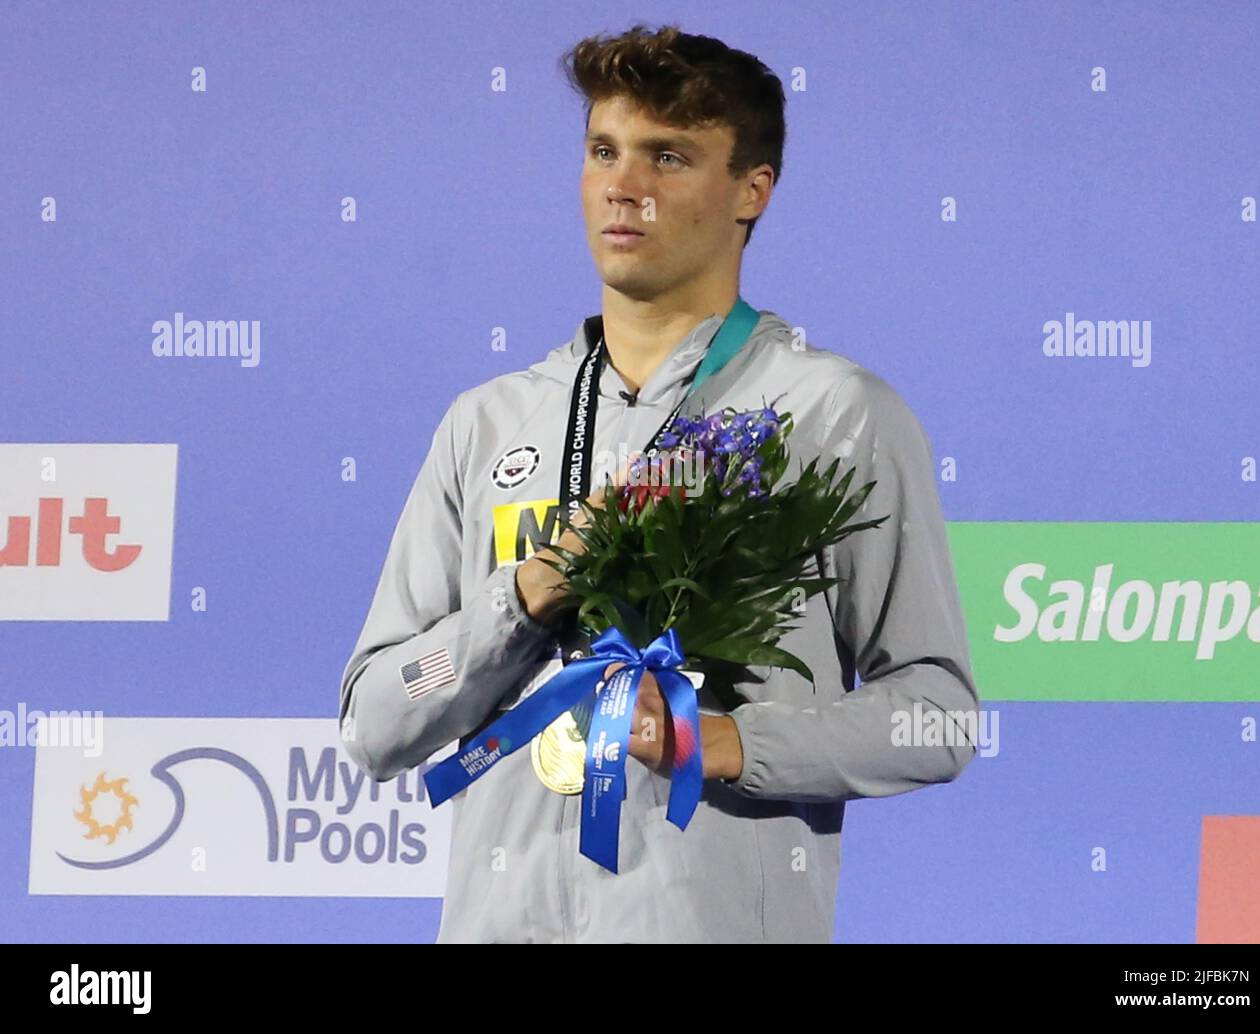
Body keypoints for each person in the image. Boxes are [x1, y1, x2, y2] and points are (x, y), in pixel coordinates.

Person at [338, 23, 979, 943]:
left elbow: (938, 715)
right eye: (604, 151)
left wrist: (734, 743)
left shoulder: (836, 413)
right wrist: (518, 603)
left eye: (667, 157)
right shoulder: (486, 423)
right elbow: (376, 721)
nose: (622, 187)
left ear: (752, 191)